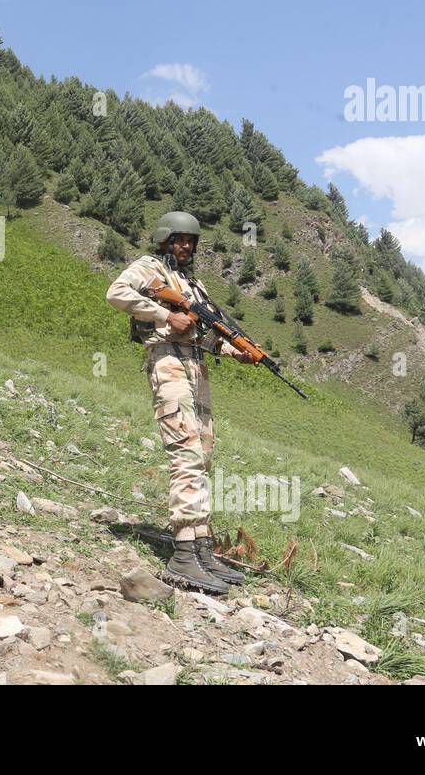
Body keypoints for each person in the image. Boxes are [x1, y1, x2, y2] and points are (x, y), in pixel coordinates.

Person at [106, 211, 260, 593]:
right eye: (179, 240)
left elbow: (198, 334)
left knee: (203, 452)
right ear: (164, 240)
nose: (185, 246)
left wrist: (233, 350)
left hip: (195, 365)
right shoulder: (149, 267)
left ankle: (202, 544)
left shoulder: (194, 284)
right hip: (168, 363)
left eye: (191, 241)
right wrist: (162, 313)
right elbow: (116, 293)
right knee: (186, 451)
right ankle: (184, 554)